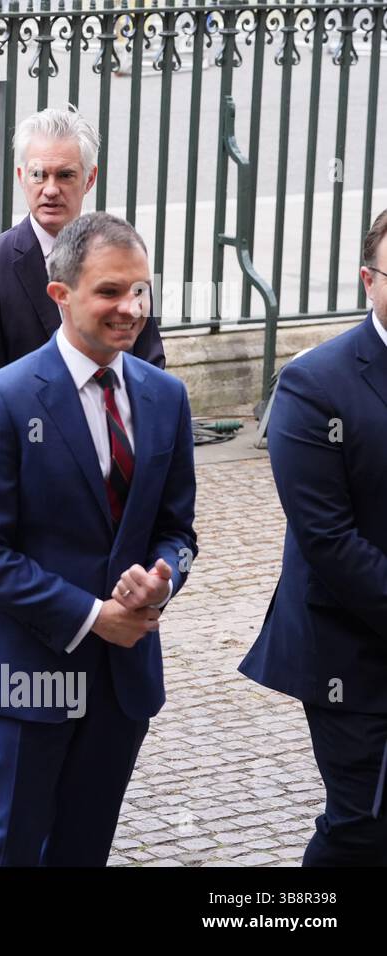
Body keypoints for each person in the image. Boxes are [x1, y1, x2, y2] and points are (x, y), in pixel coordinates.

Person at [0, 211, 197, 866]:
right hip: (24, 677)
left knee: (82, 853)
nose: (131, 307)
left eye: (140, 289)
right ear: (61, 295)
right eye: (111, 291)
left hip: (121, 688)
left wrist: (163, 578)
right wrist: (94, 618)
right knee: (9, 854)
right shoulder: (4, 401)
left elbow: (177, 530)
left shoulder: (166, 397)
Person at [239, 210, 387, 866]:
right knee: (362, 826)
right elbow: (328, 540)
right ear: (368, 280)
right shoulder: (314, 384)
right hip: (350, 649)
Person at [0, 108, 165, 406]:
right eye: (39, 174)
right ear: (21, 177)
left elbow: (150, 363)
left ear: (90, 179)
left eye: (65, 175)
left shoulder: (124, 255)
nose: (50, 189)